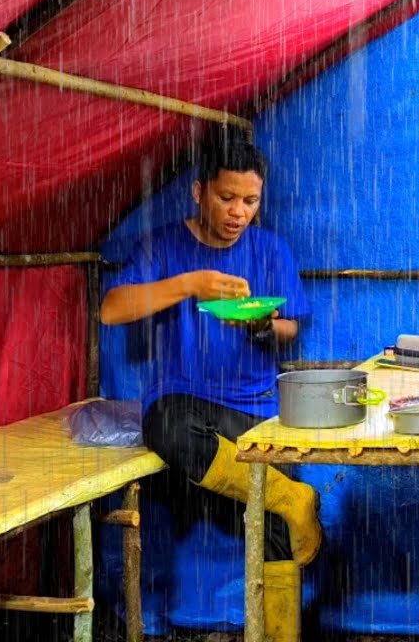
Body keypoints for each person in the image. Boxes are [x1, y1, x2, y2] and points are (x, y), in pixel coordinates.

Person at [100, 129, 318, 637]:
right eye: (226, 198)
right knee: (166, 424)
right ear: (198, 191)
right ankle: (286, 497)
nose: (239, 212)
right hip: (184, 407)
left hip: (256, 409)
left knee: (277, 533)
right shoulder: (164, 245)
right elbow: (112, 311)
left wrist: (261, 324)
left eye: (250, 200)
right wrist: (189, 284)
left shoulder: (270, 250)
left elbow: (290, 328)